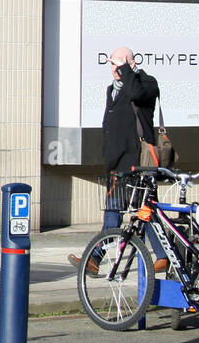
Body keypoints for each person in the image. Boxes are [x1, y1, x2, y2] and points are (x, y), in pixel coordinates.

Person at [69, 46, 166, 275]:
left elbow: (136, 95)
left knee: (145, 210)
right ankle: (162, 255)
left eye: (119, 63)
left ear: (131, 63)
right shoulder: (111, 89)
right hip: (118, 163)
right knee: (120, 211)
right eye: (112, 64)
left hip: (139, 161)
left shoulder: (146, 82)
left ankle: (96, 257)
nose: (115, 69)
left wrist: (126, 70)